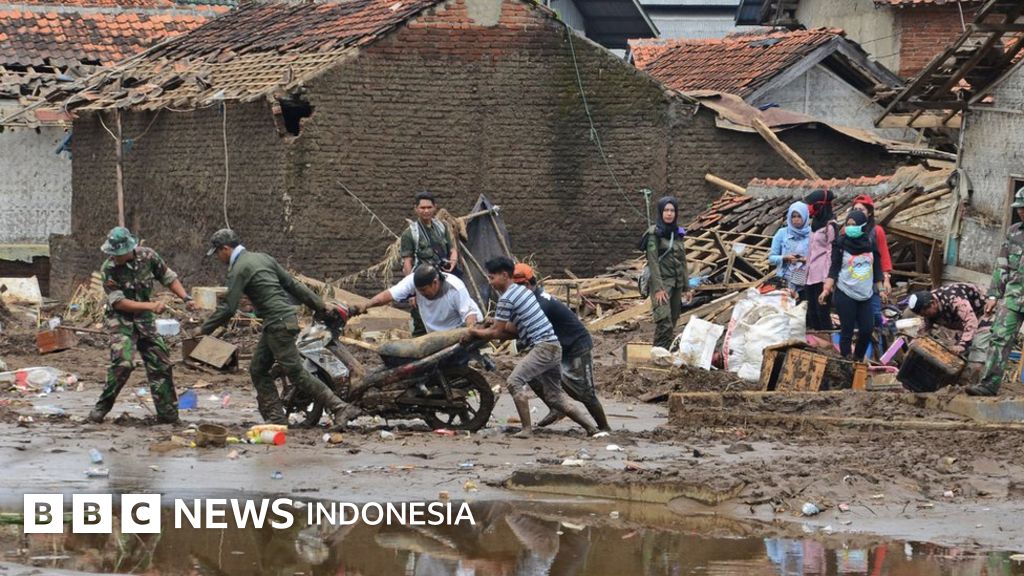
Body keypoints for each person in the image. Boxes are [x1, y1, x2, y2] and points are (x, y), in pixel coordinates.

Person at [199, 229, 360, 427]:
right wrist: (320, 305)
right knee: (258, 369)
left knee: (296, 372)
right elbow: (293, 285)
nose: (218, 257)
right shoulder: (263, 258)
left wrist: (203, 330)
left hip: (277, 323)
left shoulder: (238, 268)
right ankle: (276, 418)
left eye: (217, 253)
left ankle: (339, 406)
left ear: (226, 249)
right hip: (283, 320)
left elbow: (228, 308)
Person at [463, 257, 598, 438]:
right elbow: (514, 328)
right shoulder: (522, 292)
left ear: (504, 275)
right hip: (553, 346)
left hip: (543, 347)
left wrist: (472, 332)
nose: (490, 282)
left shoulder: (506, 299)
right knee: (554, 396)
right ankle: (591, 428)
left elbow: (496, 332)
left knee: (514, 381)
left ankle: (526, 429)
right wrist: (492, 323)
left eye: (492, 277)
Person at [87, 227, 194, 424]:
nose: (116, 257)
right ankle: (101, 408)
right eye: (113, 253)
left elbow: (168, 277)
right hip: (121, 321)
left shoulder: (148, 256)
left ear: (130, 248)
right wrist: (151, 306)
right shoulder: (108, 269)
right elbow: (119, 302)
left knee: (160, 363)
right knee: (123, 363)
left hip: (145, 322)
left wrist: (186, 297)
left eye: (120, 253)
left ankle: (168, 416)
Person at [512, 263, 610, 432]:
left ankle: (604, 427)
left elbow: (520, 328)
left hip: (575, 346)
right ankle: (556, 408)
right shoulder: (533, 298)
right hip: (555, 346)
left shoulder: (540, 303)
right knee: (532, 375)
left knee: (584, 392)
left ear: (526, 285)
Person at [972, 188, 1024, 396]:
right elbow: (1002, 265)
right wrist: (993, 295)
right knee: (999, 337)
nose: (1020, 212)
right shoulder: (1014, 233)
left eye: (1023, 208)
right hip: (1013, 296)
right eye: (1019, 208)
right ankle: (988, 384)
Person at [820, 210, 884, 361]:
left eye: (853, 225)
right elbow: (834, 269)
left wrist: (881, 290)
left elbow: (877, 269)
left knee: (867, 329)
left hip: (865, 294)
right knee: (847, 330)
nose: (850, 228)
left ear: (863, 226)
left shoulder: (870, 244)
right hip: (845, 292)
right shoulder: (840, 244)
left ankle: (858, 359)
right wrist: (826, 289)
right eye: (847, 225)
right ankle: (845, 360)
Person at [352, 263, 480, 332]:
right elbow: (389, 294)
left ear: (435, 282)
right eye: (418, 291)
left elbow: (469, 315)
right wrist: (367, 305)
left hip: (457, 331)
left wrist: (469, 332)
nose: (421, 293)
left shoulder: (455, 288)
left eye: (424, 290)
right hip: (435, 336)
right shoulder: (412, 280)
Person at [400, 191, 460, 336]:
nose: (426, 211)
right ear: (415, 209)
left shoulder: (441, 227)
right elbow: (407, 263)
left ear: (435, 208)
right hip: (423, 283)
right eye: (422, 208)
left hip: (442, 279)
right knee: (421, 322)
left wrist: (452, 261)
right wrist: (412, 292)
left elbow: (452, 249)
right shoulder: (410, 234)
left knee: (448, 316)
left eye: (429, 207)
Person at [643, 196, 691, 350]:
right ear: (660, 212)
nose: (669, 214)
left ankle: (662, 354)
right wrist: (658, 288)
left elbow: (683, 261)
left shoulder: (678, 233)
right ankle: (658, 354)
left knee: (673, 320)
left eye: (672, 210)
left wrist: (687, 287)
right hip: (662, 283)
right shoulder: (654, 234)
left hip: (676, 284)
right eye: (666, 210)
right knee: (664, 321)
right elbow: (653, 262)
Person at [908, 283, 990, 370]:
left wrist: (962, 345)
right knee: (958, 357)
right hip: (962, 318)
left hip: (984, 312)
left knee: (976, 354)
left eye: (925, 314)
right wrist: (918, 339)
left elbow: (971, 321)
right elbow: (925, 326)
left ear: (933, 304)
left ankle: (981, 375)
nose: (925, 316)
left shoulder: (954, 299)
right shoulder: (929, 302)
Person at [851, 194, 893, 327]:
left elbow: (883, 255)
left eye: (861, 210)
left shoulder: (876, 231)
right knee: (855, 315)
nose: (858, 213)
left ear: (869, 213)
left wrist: (886, 278)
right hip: (854, 278)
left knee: (874, 313)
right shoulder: (847, 231)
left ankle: (880, 342)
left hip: (873, 279)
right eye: (855, 210)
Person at [803, 189, 838, 330]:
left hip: (822, 276)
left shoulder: (830, 226)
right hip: (810, 274)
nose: (809, 208)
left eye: (812, 205)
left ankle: (826, 342)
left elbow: (831, 253)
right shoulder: (814, 224)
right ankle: (816, 343)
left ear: (821, 205)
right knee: (811, 312)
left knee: (822, 312)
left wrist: (828, 280)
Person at [768, 201, 812, 297]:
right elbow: (771, 258)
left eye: (799, 216)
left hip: (806, 282)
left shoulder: (812, 235)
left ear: (805, 216)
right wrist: (785, 258)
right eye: (793, 216)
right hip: (784, 282)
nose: (796, 219)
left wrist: (806, 260)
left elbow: (820, 259)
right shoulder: (782, 233)